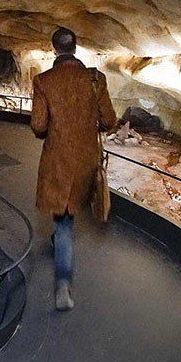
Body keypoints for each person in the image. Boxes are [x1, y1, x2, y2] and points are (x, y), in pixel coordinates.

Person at [30, 27, 117, 311]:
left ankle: (63, 283)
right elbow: (109, 120)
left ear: (54, 50)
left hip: (58, 160)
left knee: (63, 222)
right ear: (75, 48)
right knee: (70, 211)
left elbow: (38, 125)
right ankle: (59, 243)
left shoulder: (44, 81)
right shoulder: (95, 79)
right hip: (86, 160)